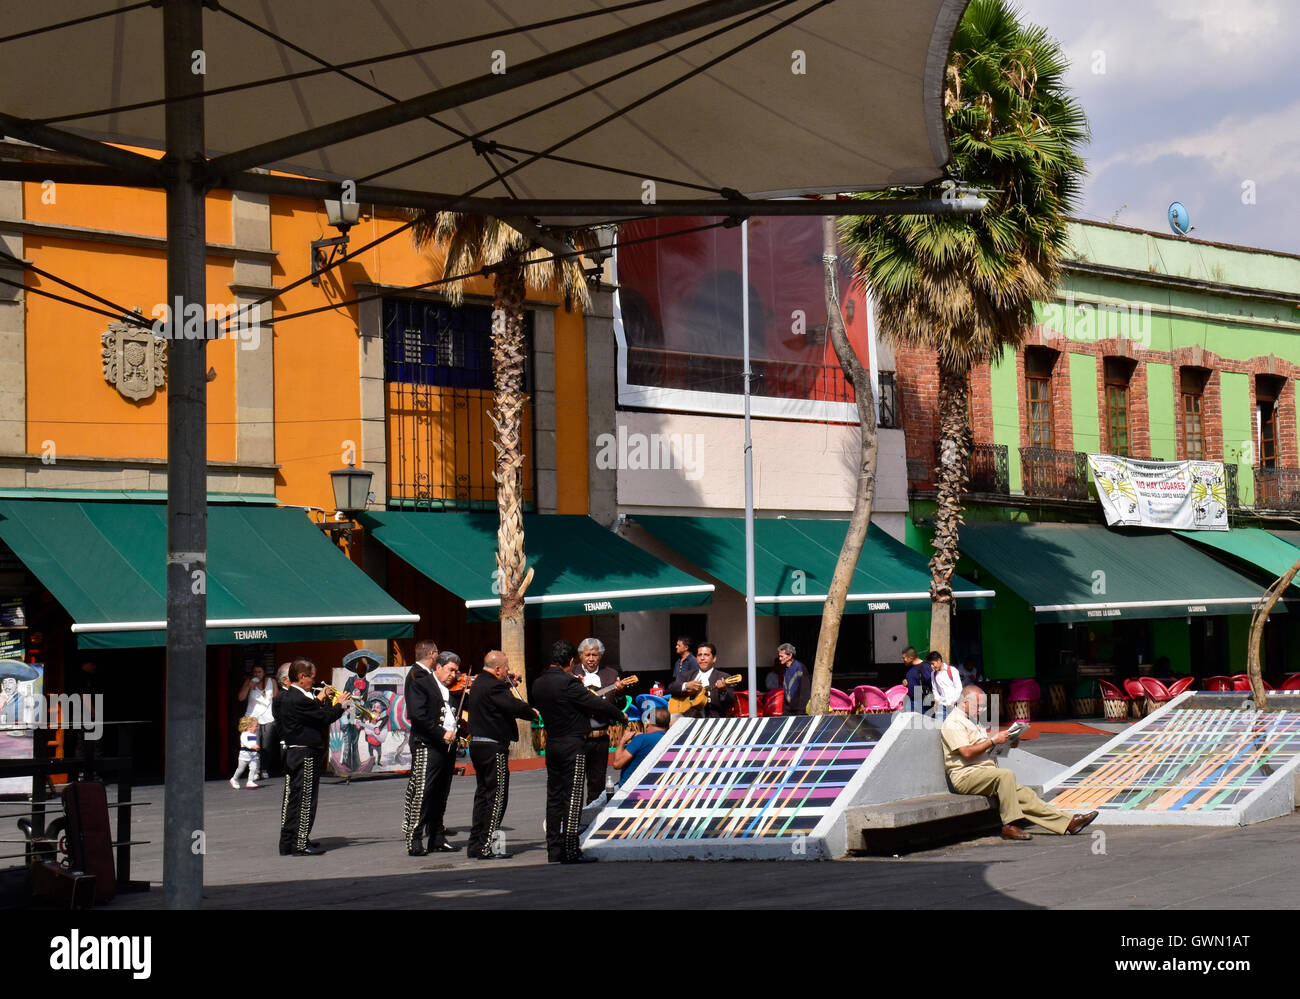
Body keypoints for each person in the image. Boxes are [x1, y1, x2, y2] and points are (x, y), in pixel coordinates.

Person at [942, 685, 1097, 841]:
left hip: (984, 772)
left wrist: (1007, 742)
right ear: (965, 702)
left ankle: (1068, 822)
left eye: (983, 706)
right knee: (1006, 775)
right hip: (966, 775)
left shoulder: (972, 720)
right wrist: (993, 741)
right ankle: (1009, 825)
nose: (981, 710)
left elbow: (983, 745)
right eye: (978, 706)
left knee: (1025, 795)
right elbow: (967, 752)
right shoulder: (953, 722)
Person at [531, 639, 627, 864]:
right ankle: (571, 849)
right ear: (572, 661)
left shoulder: (539, 683)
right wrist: (618, 715)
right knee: (573, 797)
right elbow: (595, 703)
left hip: (552, 743)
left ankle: (553, 848)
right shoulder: (569, 683)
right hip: (573, 744)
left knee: (554, 797)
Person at [464, 650, 537, 860]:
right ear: (497, 669)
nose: (508, 671)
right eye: (505, 668)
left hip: (478, 744)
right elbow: (511, 705)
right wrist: (531, 712)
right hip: (492, 745)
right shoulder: (494, 686)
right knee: (497, 795)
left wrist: (507, 682)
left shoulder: (479, 682)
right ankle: (487, 845)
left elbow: (497, 699)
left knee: (483, 795)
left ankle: (476, 844)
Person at [273, 659, 349, 856]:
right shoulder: (299, 699)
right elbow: (323, 718)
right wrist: (340, 705)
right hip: (305, 752)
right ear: (301, 677)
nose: (313, 682)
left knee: (292, 798)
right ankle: (300, 843)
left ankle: (288, 841)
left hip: (292, 751)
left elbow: (307, 714)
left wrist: (320, 698)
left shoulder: (284, 698)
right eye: (311, 678)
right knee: (306, 798)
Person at [402, 640, 458, 857]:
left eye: (457, 671)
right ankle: (414, 838)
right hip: (427, 744)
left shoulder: (452, 690)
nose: (454, 675)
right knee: (424, 791)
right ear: (438, 667)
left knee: (441, 792)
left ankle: (436, 836)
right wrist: (440, 732)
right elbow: (418, 715)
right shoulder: (420, 682)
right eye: (451, 670)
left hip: (447, 747)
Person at [576, 637, 633, 803]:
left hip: (600, 737)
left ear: (600, 656)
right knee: (576, 782)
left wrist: (620, 693)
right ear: (581, 656)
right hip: (578, 737)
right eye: (587, 655)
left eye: (595, 655)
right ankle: (573, 822)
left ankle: (592, 820)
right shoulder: (572, 673)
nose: (591, 659)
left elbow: (619, 706)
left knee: (597, 783)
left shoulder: (611, 674)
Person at [667, 642, 736, 719]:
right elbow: (671, 688)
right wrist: (686, 686)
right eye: (699, 655)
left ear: (714, 659)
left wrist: (722, 692)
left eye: (706, 655)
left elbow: (730, 704)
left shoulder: (724, 677)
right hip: (686, 719)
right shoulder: (688, 675)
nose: (702, 658)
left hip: (713, 720)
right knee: (655, 716)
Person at [237, 664, 277, 779]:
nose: (257, 674)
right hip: (252, 719)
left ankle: (264, 769)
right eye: (255, 672)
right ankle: (255, 771)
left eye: (259, 672)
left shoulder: (271, 681)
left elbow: (275, 697)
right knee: (253, 744)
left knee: (267, 746)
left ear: (264, 673)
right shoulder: (249, 682)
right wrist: (249, 686)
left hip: (268, 718)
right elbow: (241, 697)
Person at [613, 707, 669, 786]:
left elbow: (617, 764)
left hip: (629, 788)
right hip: (657, 787)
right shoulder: (671, 739)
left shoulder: (641, 739)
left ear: (648, 724)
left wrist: (623, 741)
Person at [229, 716, 261, 789]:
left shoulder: (253, 735)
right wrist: (252, 746)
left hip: (253, 756)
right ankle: (234, 779)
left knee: (254, 768)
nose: (257, 728)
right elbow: (246, 743)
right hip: (244, 756)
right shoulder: (244, 734)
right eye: (255, 726)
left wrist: (256, 749)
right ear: (249, 727)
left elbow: (253, 743)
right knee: (241, 769)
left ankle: (250, 781)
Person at [778, 643, 810, 715]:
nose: (779, 658)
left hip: (799, 711)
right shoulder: (786, 669)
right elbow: (786, 690)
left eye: (781, 656)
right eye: (779, 656)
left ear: (790, 656)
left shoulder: (800, 668)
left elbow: (805, 691)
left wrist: (801, 711)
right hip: (788, 710)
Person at [929, 651, 962, 718]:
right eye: (930, 664)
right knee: (939, 726)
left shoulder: (952, 670)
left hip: (953, 706)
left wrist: (954, 701)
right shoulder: (933, 674)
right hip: (941, 706)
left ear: (939, 660)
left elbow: (959, 688)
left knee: (952, 726)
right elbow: (934, 689)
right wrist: (937, 700)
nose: (931, 666)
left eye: (933, 664)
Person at [902, 647, 931, 713]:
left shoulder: (925, 666)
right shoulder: (909, 667)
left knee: (924, 721)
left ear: (911, 658)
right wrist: (906, 682)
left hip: (923, 700)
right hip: (911, 699)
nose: (903, 660)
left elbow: (931, 683)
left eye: (904, 658)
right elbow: (912, 679)